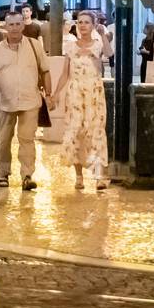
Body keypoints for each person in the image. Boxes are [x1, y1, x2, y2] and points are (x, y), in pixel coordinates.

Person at [0, 10, 51, 191]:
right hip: (5, 102)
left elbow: (45, 70)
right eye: (10, 24)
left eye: (17, 24)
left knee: (27, 139)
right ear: (5, 26)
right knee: (3, 139)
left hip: (30, 100)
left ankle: (27, 175)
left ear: (23, 25)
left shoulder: (34, 45)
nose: (14, 28)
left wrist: (50, 95)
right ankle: (3, 174)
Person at [52, 10, 112, 190]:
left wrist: (103, 35)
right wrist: (55, 93)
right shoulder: (70, 47)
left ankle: (100, 175)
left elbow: (109, 54)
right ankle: (78, 176)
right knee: (75, 130)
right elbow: (65, 73)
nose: (83, 25)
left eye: (86, 22)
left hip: (94, 92)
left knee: (96, 131)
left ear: (93, 25)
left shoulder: (98, 44)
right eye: (80, 22)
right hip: (75, 92)